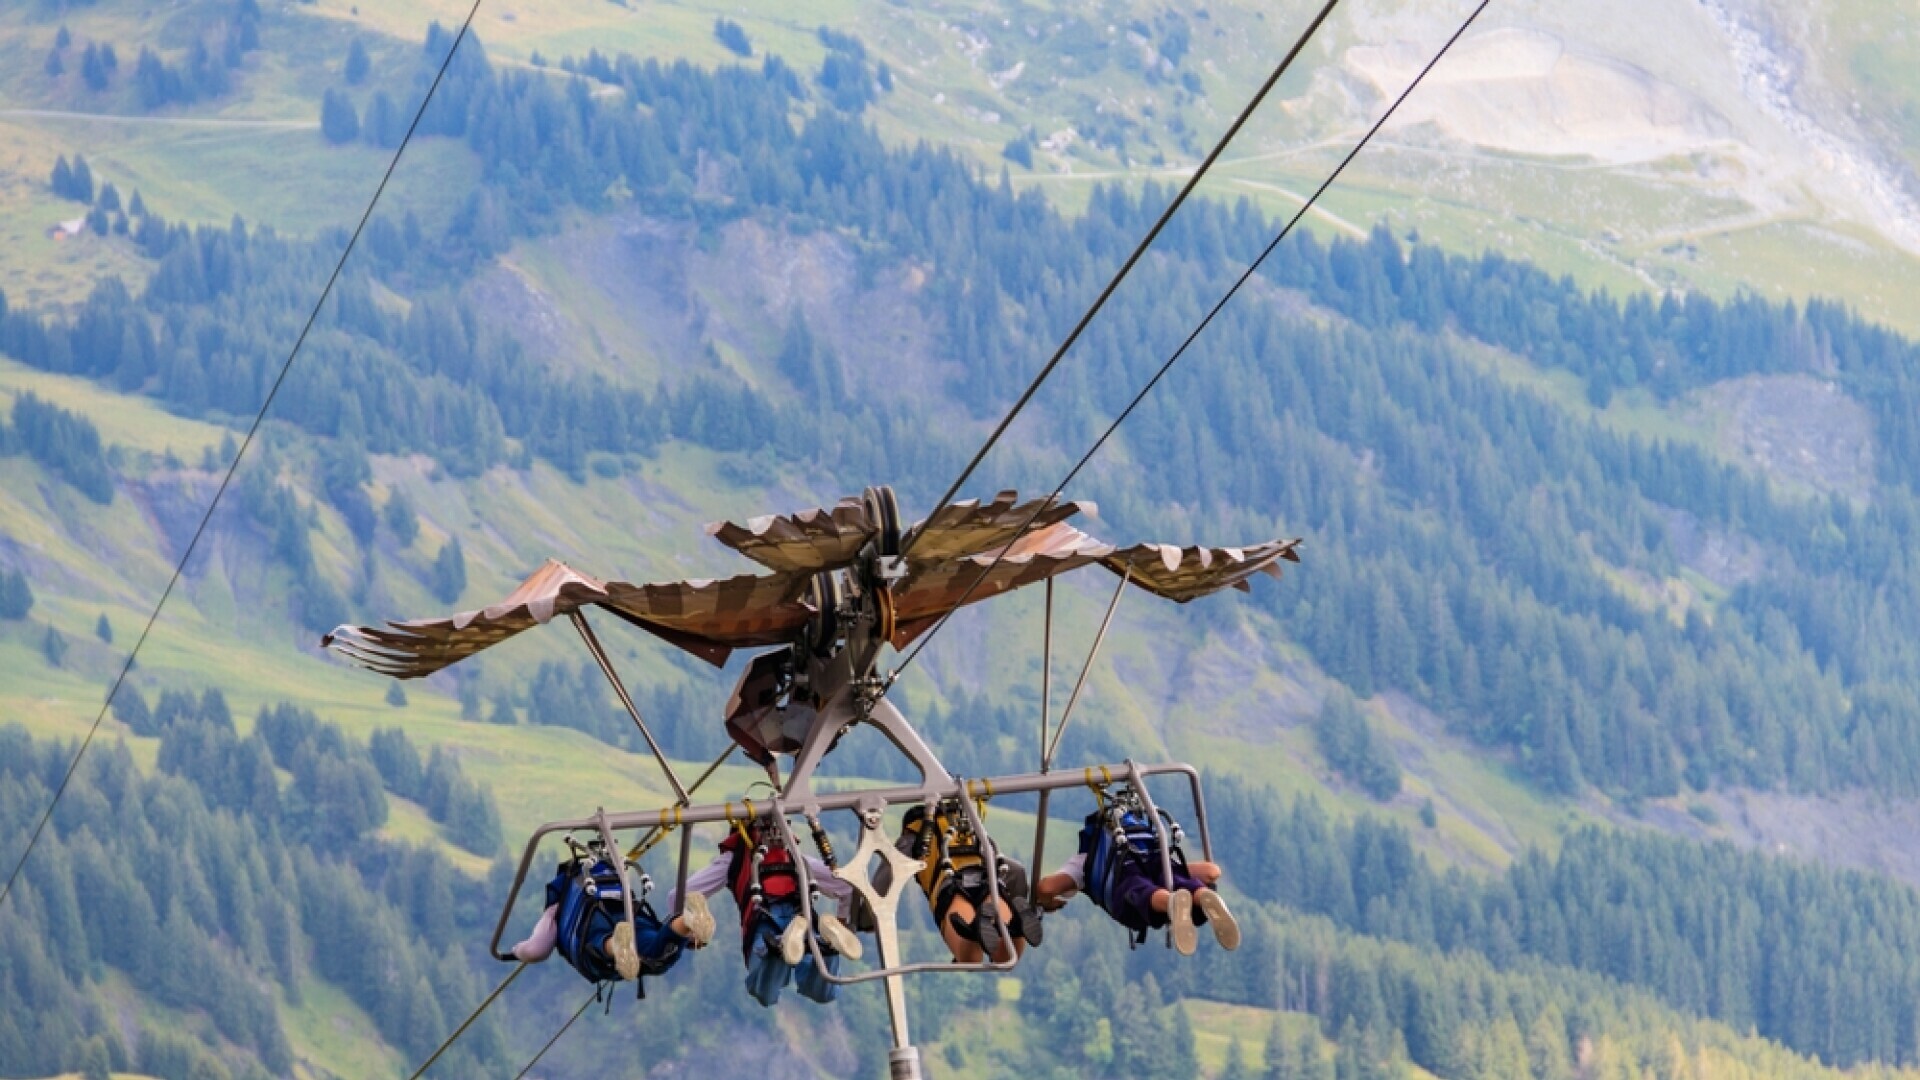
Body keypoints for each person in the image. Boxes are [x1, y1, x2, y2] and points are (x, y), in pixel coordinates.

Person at [667, 816, 863, 1006]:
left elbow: (677, 896)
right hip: (803, 920)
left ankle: (776, 949)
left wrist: (687, 932)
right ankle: (828, 947)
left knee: (764, 992)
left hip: (763, 924)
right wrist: (843, 920)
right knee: (824, 992)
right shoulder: (796, 858)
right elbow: (847, 887)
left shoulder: (734, 860)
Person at [1034, 795, 1240, 956]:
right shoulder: (1151, 850)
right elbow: (1212, 872)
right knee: (1180, 881)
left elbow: (1046, 888)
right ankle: (1201, 895)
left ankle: (1171, 902)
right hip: (1160, 867)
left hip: (1130, 890)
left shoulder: (1088, 860)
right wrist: (1183, 870)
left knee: (1139, 895)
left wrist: (1046, 902)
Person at [512, 845, 717, 987]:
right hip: (630, 916)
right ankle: (686, 921)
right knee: (656, 949)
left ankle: (615, 946)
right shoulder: (606, 883)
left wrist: (515, 951)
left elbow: (535, 950)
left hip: (596, 936)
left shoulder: (554, 910)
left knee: (655, 959)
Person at [889, 800, 1043, 964]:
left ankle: (974, 930)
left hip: (950, 888)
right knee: (1007, 958)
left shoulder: (914, 834)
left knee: (970, 960)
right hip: (988, 882)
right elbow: (1017, 871)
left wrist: (865, 920)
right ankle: (1017, 926)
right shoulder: (968, 826)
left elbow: (885, 878)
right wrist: (1017, 895)